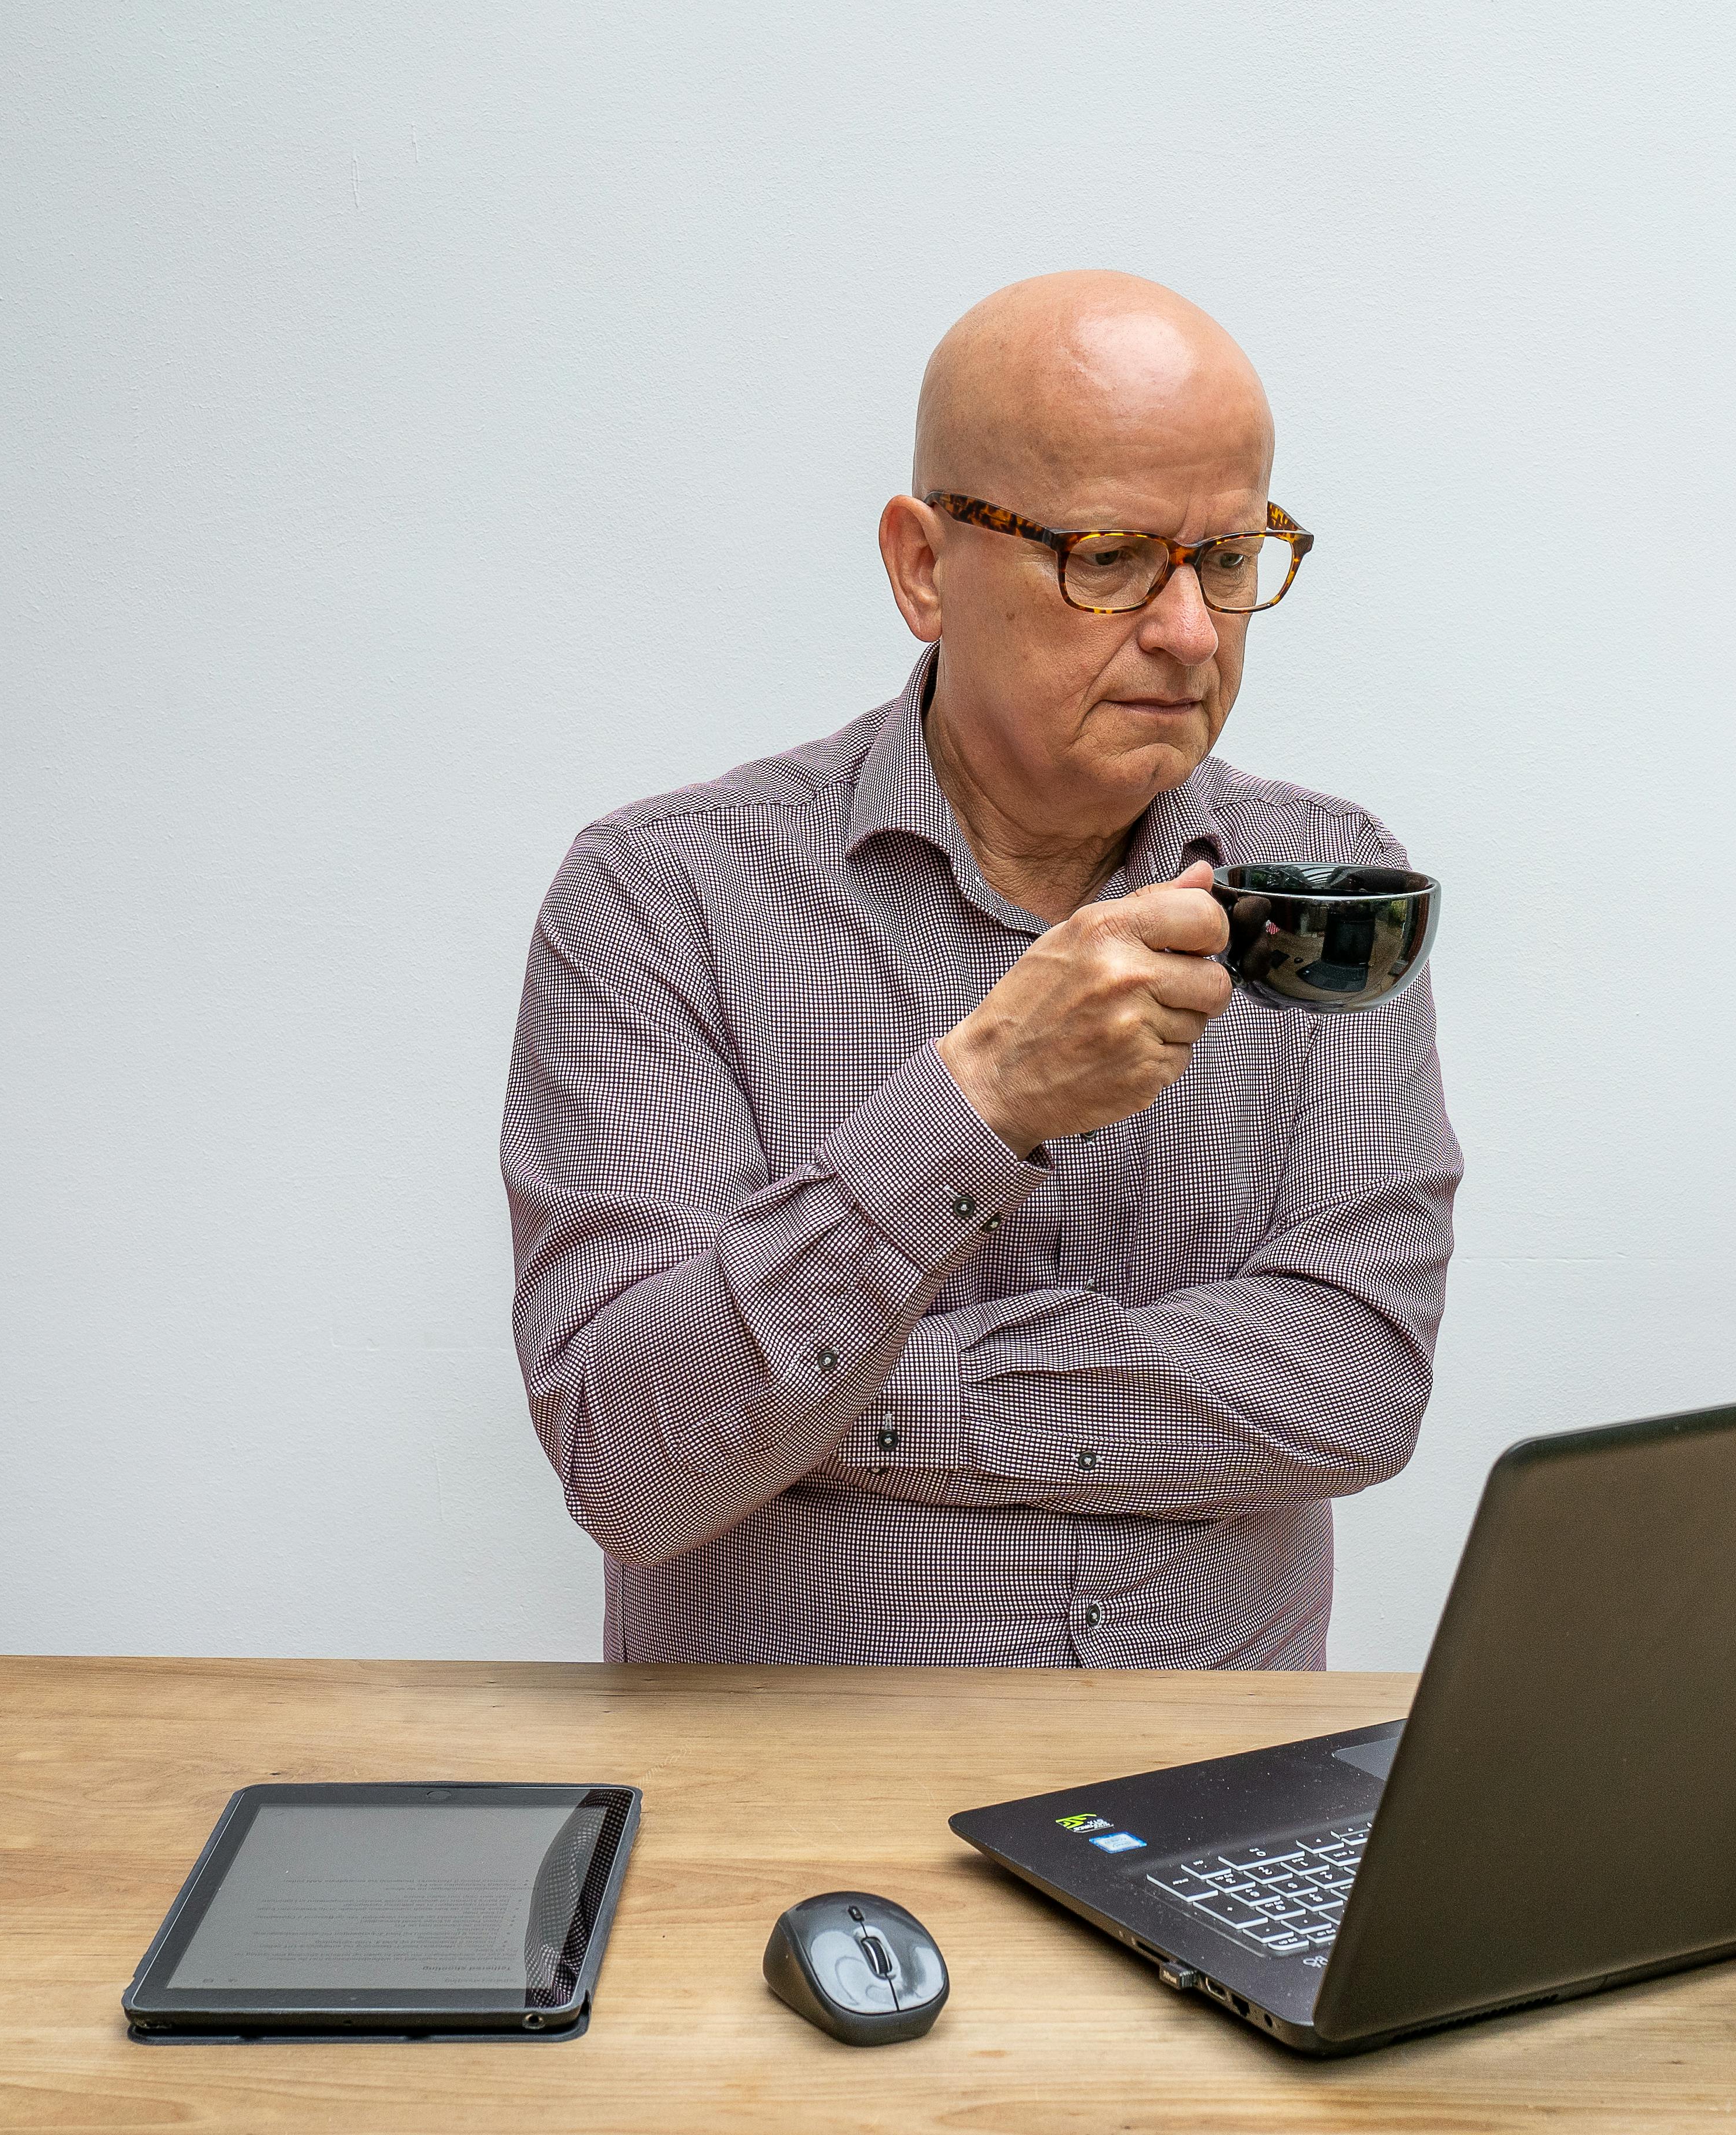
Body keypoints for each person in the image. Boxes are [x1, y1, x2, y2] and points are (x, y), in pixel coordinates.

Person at [501, 271, 1461, 1668]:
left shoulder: (1332, 884)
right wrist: (981, 1103)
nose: (1191, 631)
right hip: (800, 1770)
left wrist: (843, 1402)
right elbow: (638, 1457)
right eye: (1110, 556)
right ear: (923, 566)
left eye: (1229, 557)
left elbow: (1357, 1382)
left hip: (1218, 1765)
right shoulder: (662, 897)